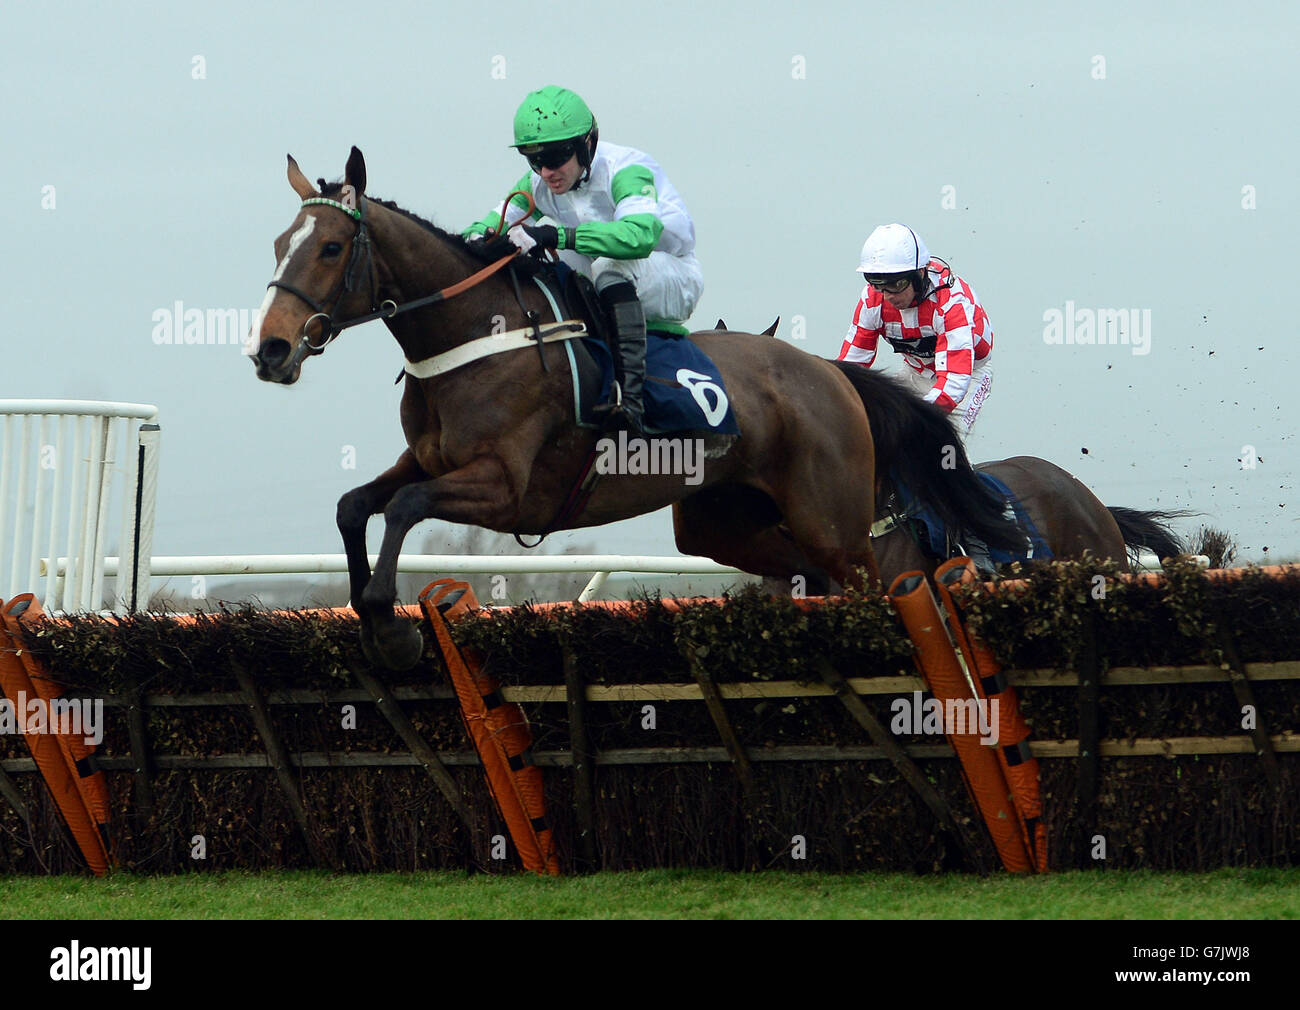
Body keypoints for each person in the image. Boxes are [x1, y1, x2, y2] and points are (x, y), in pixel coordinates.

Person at [464, 85, 703, 435]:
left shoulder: (628, 168)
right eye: (535, 160)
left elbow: (639, 236)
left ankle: (629, 402)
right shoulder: (537, 183)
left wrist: (556, 234)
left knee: (604, 264)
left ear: (586, 144)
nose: (546, 172)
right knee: (545, 266)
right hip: (612, 273)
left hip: (670, 272)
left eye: (557, 157)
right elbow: (482, 228)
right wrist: (481, 242)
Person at [838, 223, 993, 446]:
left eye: (897, 284)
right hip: (915, 371)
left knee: (941, 447)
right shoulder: (872, 300)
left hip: (967, 377)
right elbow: (852, 366)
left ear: (920, 274)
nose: (888, 295)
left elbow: (954, 381)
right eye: (877, 284)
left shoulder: (951, 304)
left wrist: (914, 417)